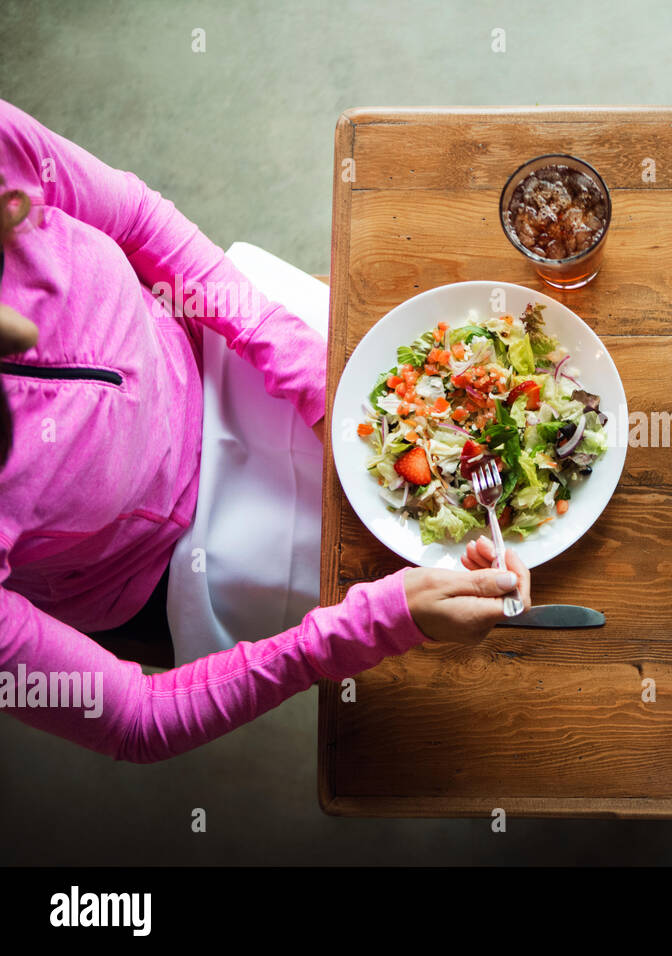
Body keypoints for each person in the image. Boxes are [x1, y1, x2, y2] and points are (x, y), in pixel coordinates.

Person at [0, 99, 530, 761]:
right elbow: (138, 719)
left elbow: (135, 219)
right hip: (172, 556)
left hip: (219, 345)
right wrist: (374, 623)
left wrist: (306, 373)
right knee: (433, 582)